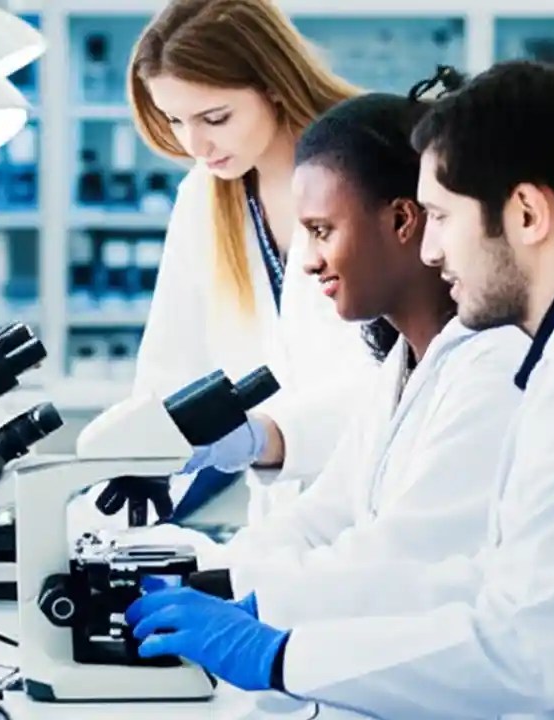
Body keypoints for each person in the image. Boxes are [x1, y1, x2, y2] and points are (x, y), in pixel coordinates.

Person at [125, 60, 554, 717]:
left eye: (441, 217)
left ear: (527, 214)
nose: (430, 250)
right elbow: (478, 581)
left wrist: (279, 654)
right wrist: (252, 600)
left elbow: (525, 649)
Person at [181, 69, 530, 628]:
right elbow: (322, 518)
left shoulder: (493, 369)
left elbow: (392, 560)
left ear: (402, 219)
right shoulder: (405, 364)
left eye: (322, 230)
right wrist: (196, 567)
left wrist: (229, 592)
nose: (309, 260)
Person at [126, 0, 377, 521]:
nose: (195, 144)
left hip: (383, 515)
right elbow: (169, 369)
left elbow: (402, 379)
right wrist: (133, 470)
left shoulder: (378, 175)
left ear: (274, 85)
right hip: (281, 531)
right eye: (175, 120)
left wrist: (267, 436)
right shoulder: (206, 197)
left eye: (214, 117)